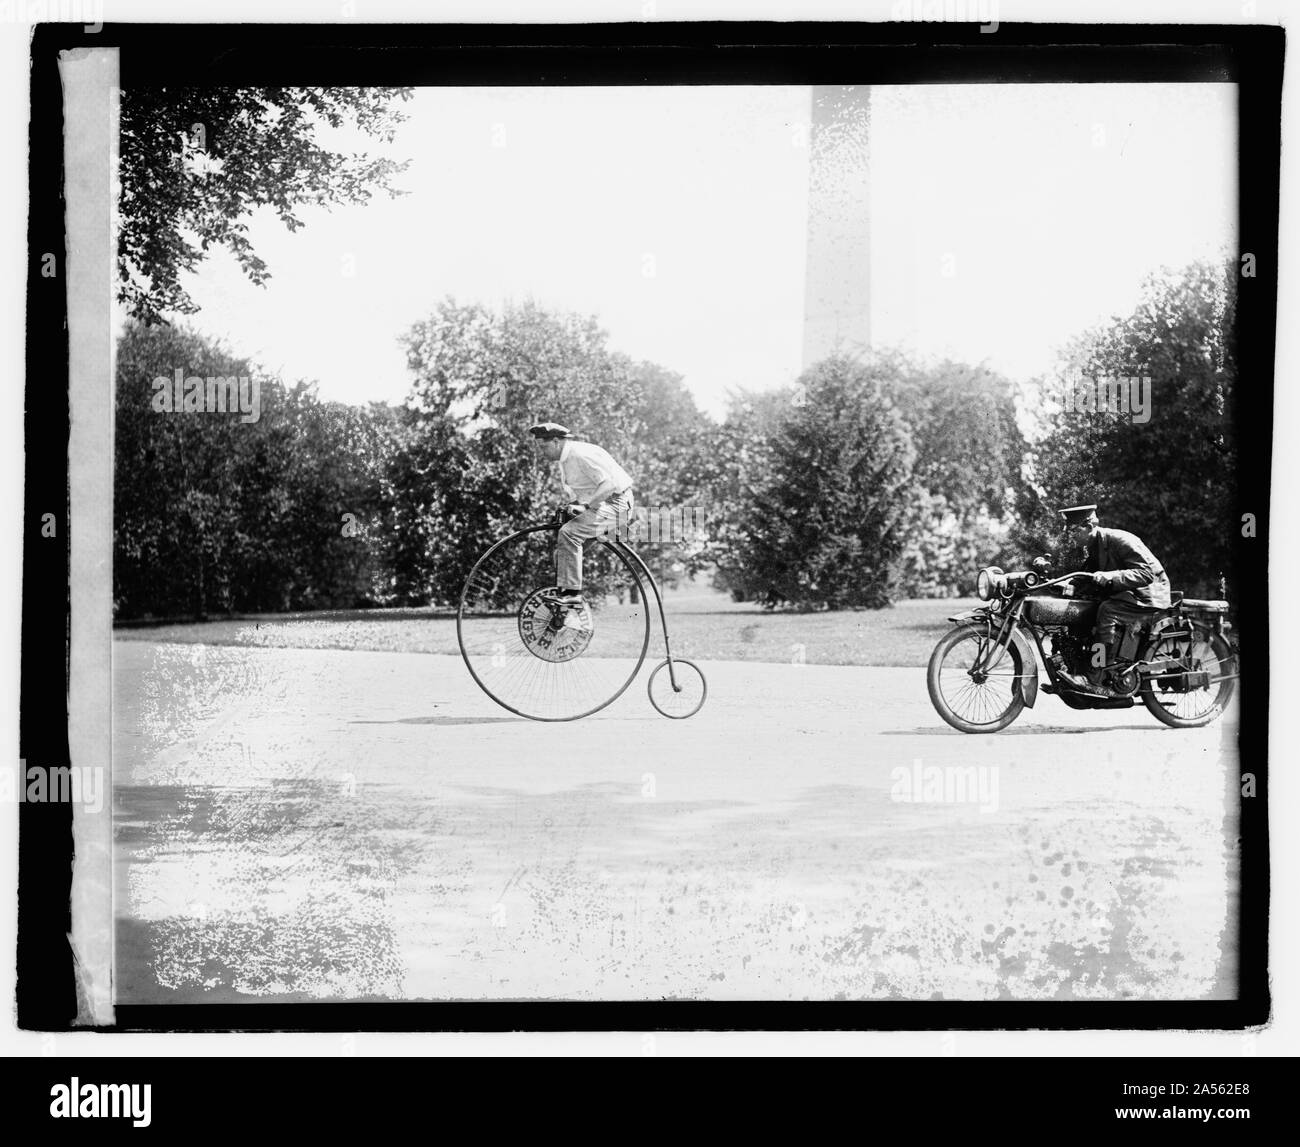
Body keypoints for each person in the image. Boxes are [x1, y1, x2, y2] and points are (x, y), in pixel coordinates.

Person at [1054, 503, 1171, 694]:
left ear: (1090, 527)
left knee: (1107, 611)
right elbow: (1086, 576)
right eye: (1068, 530)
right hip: (1127, 595)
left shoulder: (1121, 540)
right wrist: (1066, 585)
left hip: (1148, 595)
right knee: (1081, 610)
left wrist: (1112, 576)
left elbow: (1146, 574)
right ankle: (1075, 667)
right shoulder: (1094, 545)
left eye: (1074, 530)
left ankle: (1094, 675)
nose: (1070, 535)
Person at [528, 422, 634, 628]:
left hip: (618, 504)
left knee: (568, 534)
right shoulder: (566, 460)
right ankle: (570, 617)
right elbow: (587, 491)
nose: (542, 452)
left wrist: (584, 506)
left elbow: (609, 485)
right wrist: (571, 507)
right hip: (603, 506)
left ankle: (572, 596)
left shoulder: (580, 454)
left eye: (544, 447)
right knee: (561, 555)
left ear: (557, 441)